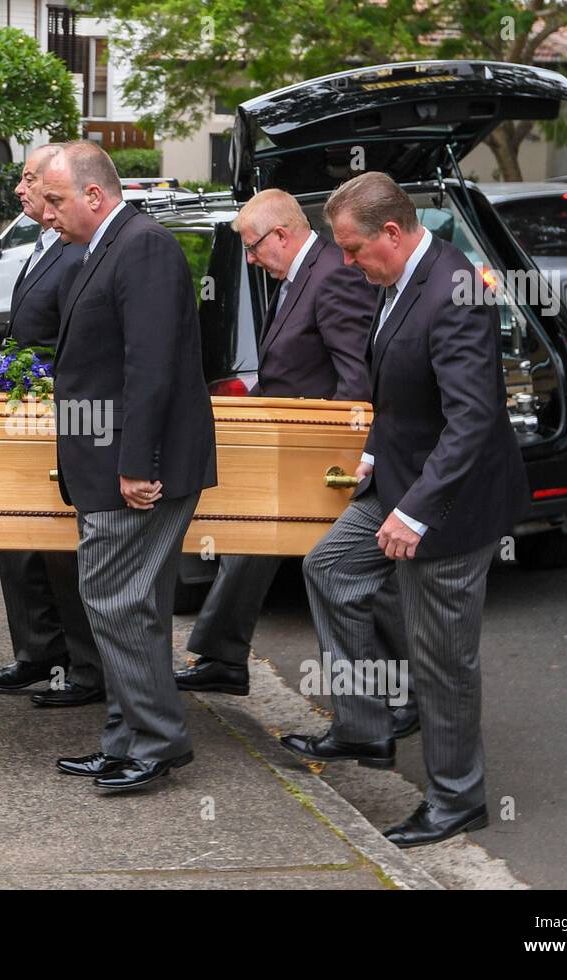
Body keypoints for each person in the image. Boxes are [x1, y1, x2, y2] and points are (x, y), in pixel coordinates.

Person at [279, 171, 528, 846]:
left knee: (443, 655)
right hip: (398, 476)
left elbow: (472, 418)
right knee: (331, 569)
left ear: (393, 231)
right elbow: (401, 391)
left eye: (354, 249)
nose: (348, 263)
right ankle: (366, 727)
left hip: (451, 502)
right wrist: (372, 451)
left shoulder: (452, 290)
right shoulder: (395, 282)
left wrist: (416, 510)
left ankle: (457, 799)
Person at [172, 188, 419, 739]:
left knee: (362, 577)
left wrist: (349, 459)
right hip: (287, 446)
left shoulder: (333, 275)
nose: (252, 260)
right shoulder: (298, 275)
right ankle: (222, 656)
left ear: (282, 234)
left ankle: (407, 693)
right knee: (251, 540)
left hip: (325, 455)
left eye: (255, 248)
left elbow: (356, 378)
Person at [41, 141, 217, 794]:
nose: (47, 212)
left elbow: (151, 363)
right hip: (117, 465)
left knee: (118, 605)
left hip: (139, 469)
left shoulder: (140, 245)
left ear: (94, 195)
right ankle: (125, 740)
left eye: (55, 199)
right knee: (122, 606)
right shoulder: (111, 245)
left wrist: (137, 463)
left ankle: (157, 741)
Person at [0, 144, 104, 708]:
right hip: (27, 408)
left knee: (59, 544)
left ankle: (83, 665)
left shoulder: (79, 250)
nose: (21, 191)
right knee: (18, 534)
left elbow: (75, 336)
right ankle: (39, 651)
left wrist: (41, 376)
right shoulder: (40, 242)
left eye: (32, 180)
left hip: (62, 410)